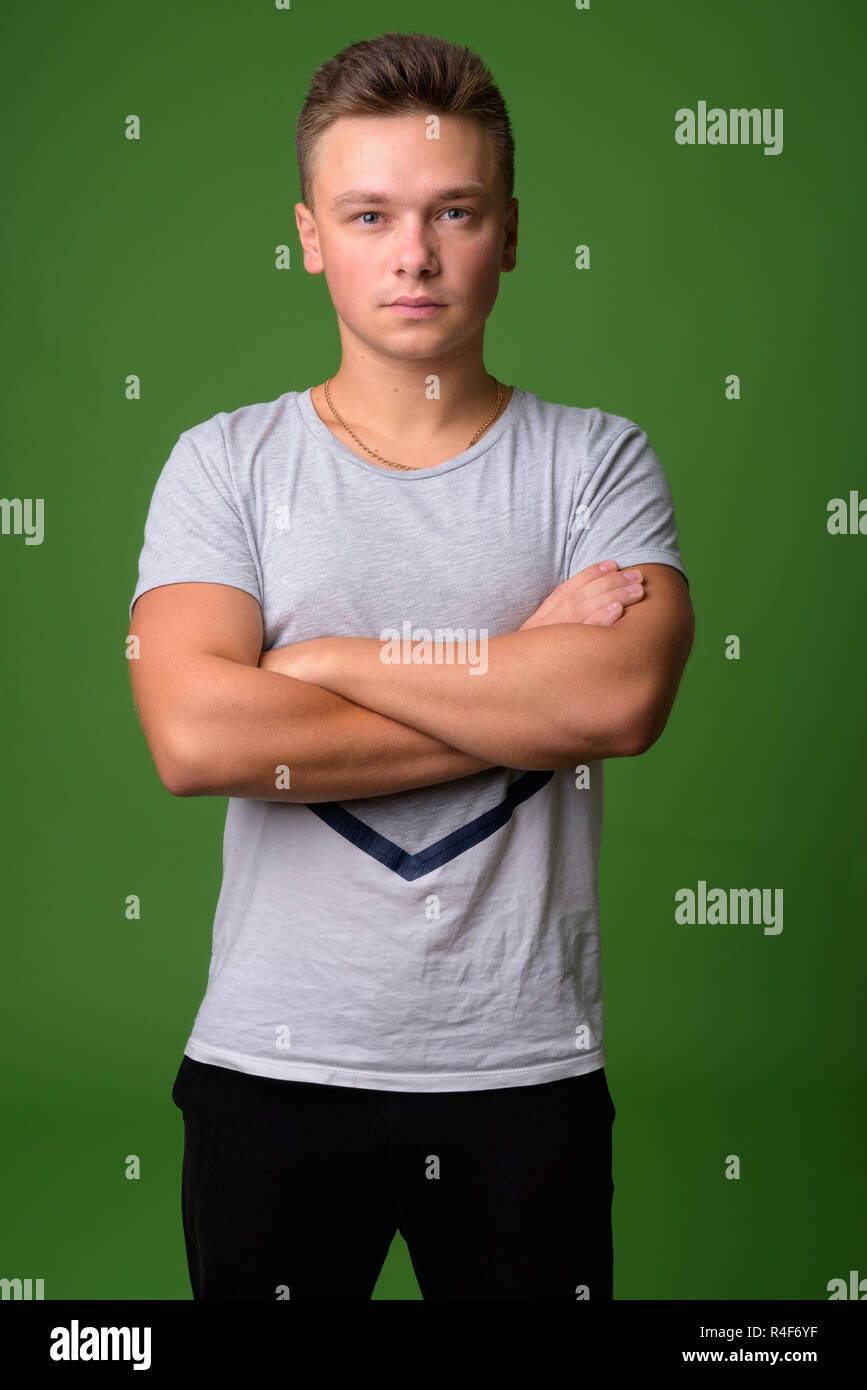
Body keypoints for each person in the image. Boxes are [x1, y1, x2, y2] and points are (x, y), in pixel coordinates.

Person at [127, 31, 694, 1301]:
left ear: (509, 229)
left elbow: (619, 698)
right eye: (370, 213)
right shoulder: (225, 464)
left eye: (455, 211)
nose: (416, 253)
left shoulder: (598, 463)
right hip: (272, 1073)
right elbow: (198, 737)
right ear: (312, 234)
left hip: (523, 1075)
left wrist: (318, 660)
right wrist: (525, 683)